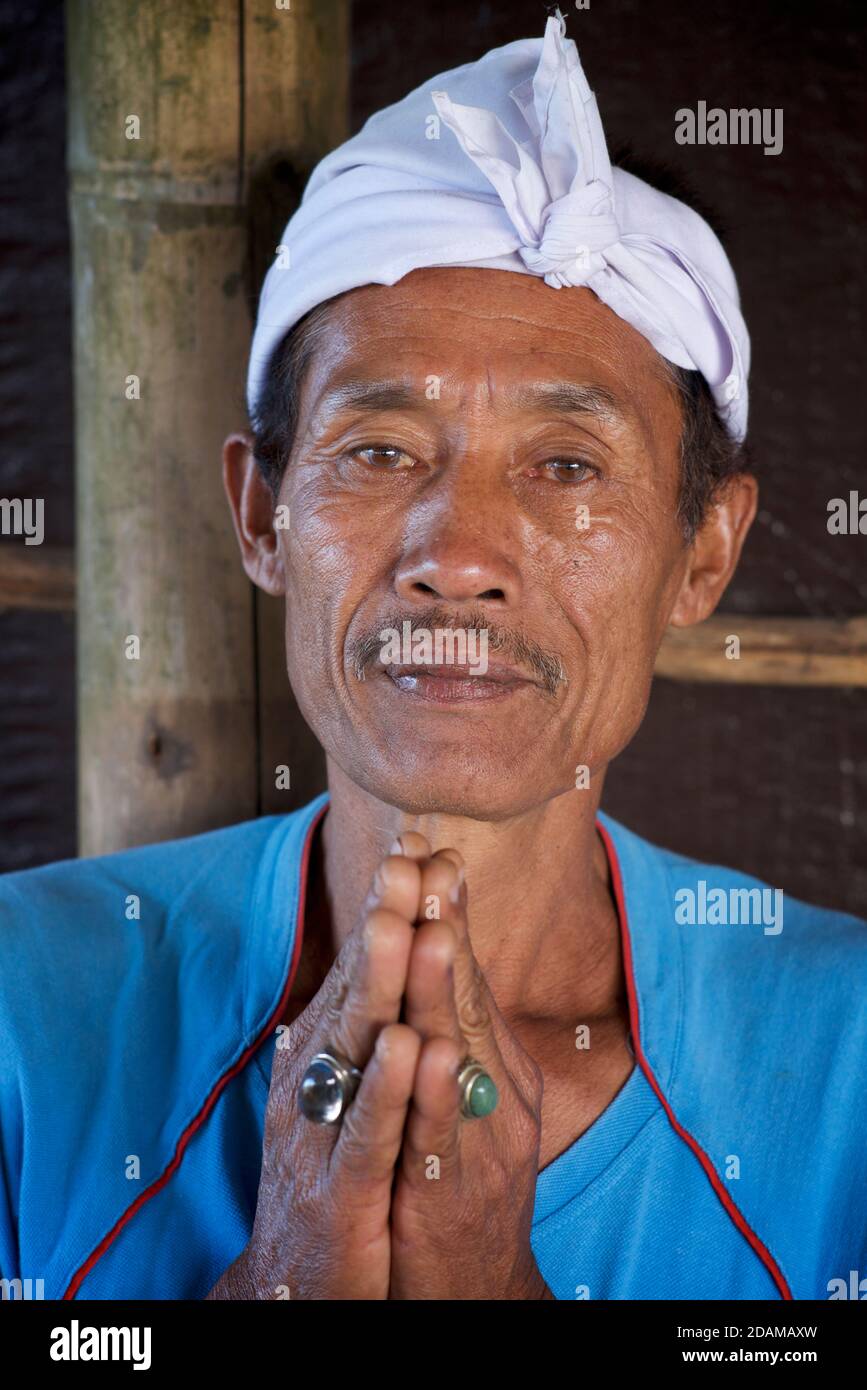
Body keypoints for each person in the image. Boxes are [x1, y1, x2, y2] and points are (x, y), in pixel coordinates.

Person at [1, 12, 864, 1302]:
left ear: (703, 555)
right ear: (261, 516)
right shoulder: (22, 1005)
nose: (456, 553)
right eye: (380, 451)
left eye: (568, 466)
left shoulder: (847, 1064)